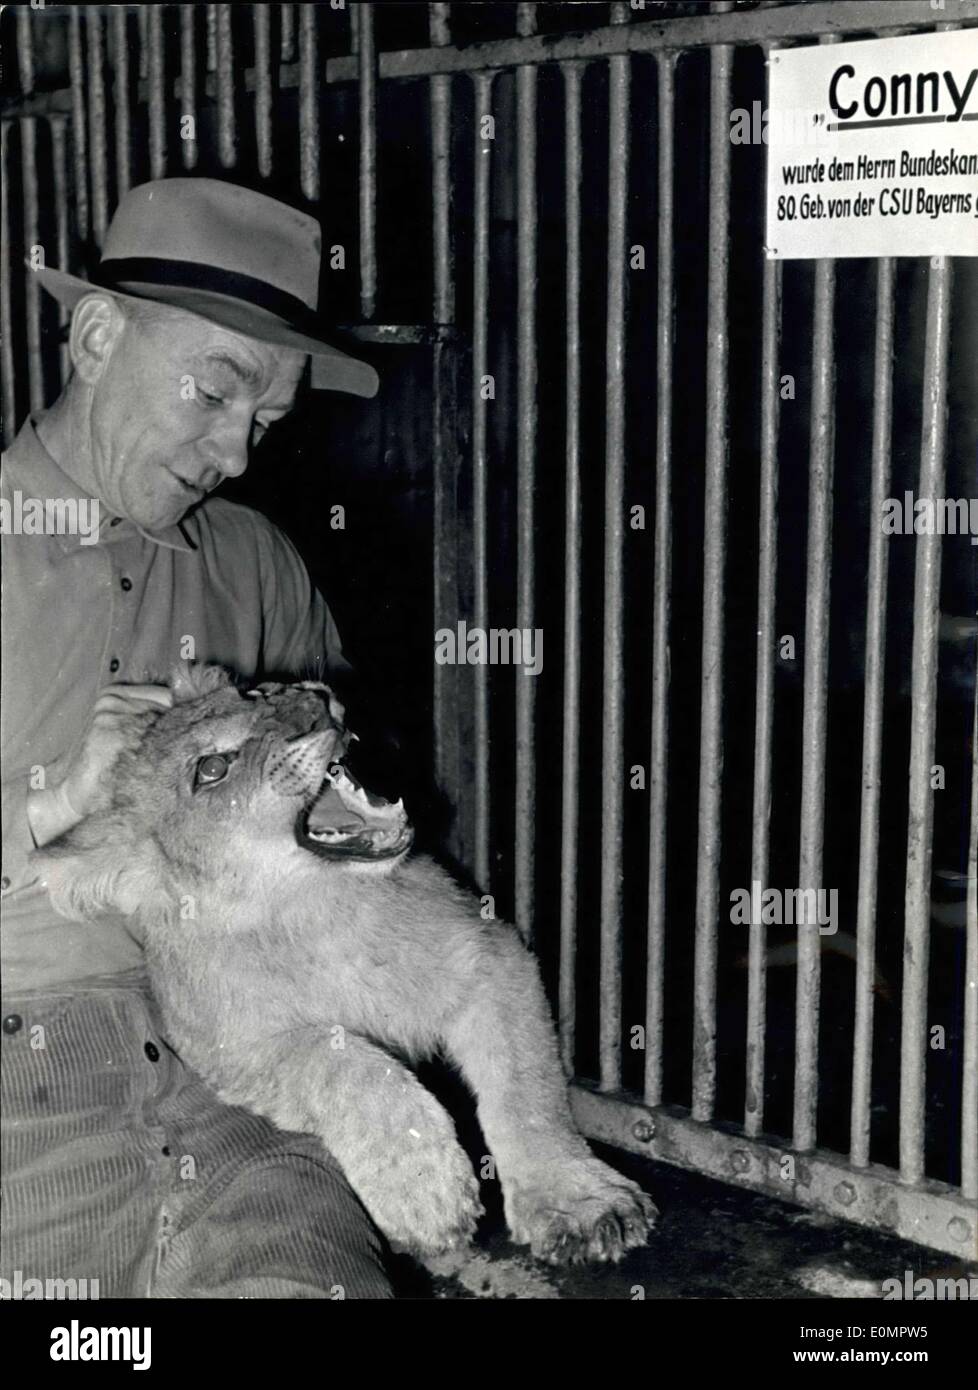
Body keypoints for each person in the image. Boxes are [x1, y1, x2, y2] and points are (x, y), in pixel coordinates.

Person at [0, 178, 394, 1298]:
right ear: (93, 335)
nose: (235, 451)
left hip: (239, 1064)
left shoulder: (260, 564)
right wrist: (47, 803)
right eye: (213, 393)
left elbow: (349, 830)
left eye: (266, 422)